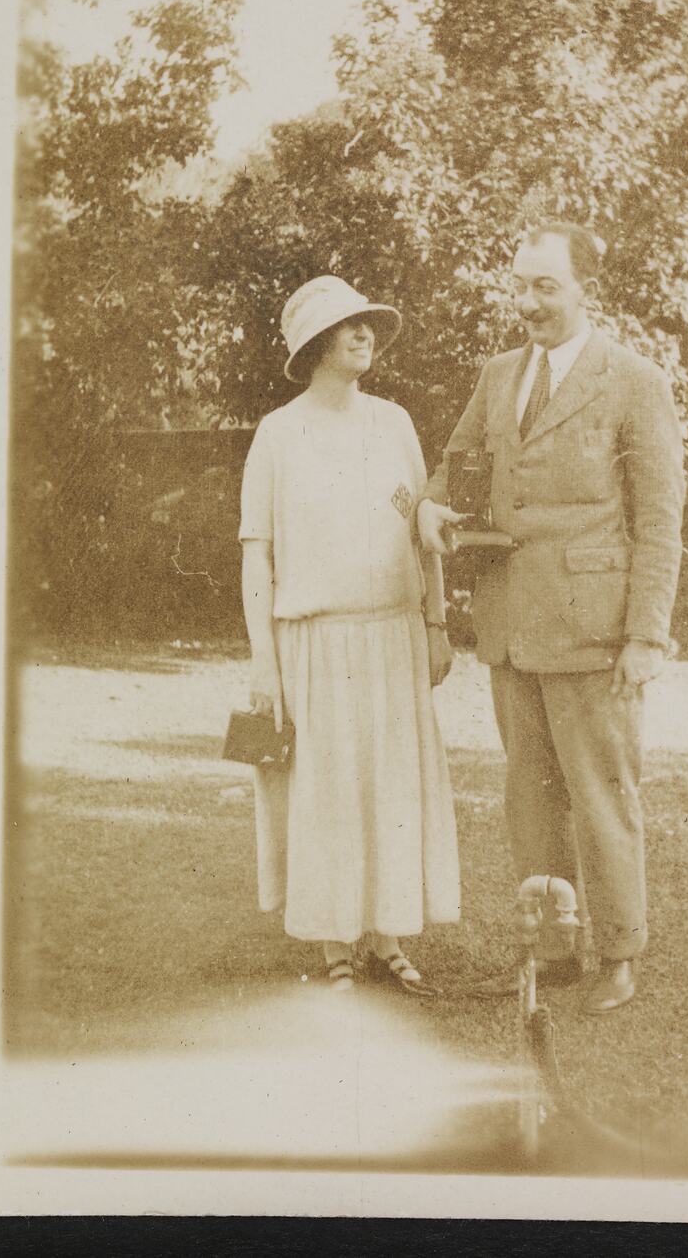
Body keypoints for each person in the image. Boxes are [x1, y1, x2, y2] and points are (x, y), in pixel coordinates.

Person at [418, 223, 684, 1013]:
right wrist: (432, 507)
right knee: (530, 798)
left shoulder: (634, 381)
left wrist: (646, 635)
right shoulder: (499, 374)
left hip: (594, 632)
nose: (527, 303)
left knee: (602, 796)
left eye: (546, 286)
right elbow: (455, 467)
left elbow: (660, 521)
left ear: (584, 289)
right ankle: (554, 952)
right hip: (511, 628)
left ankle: (619, 954)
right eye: (520, 285)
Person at [240, 274, 461, 996]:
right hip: (316, 643)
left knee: (391, 790)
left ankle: (388, 937)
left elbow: (424, 532)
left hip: (394, 636)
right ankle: (336, 943)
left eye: (368, 322)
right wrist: (265, 664)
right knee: (328, 793)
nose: (364, 333)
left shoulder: (394, 423)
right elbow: (256, 554)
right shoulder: (278, 433)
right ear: (315, 345)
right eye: (347, 325)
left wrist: (435, 622)